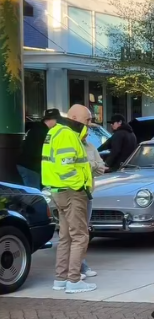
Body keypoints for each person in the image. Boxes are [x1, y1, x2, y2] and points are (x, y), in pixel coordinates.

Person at [41, 104, 96, 294]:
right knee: (80, 236)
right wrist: (79, 185)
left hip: (60, 191)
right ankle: (73, 280)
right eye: (87, 118)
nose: (90, 122)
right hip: (72, 192)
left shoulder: (57, 132)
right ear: (74, 116)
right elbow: (66, 167)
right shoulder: (66, 134)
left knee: (65, 237)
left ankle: (61, 279)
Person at [80, 131, 107, 280]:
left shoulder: (90, 146)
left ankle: (82, 265)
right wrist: (92, 165)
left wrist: (92, 165)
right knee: (76, 233)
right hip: (75, 193)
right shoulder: (73, 146)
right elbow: (79, 166)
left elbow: (101, 168)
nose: (86, 135)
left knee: (83, 231)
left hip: (88, 193)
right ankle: (76, 268)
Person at [17, 108, 61, 188]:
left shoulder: (36, 127)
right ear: (53, 120)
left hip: (24, 164)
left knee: (31, 191)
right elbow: (40, 152)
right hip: (31, 167)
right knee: (34, 193)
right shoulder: (44, 132)